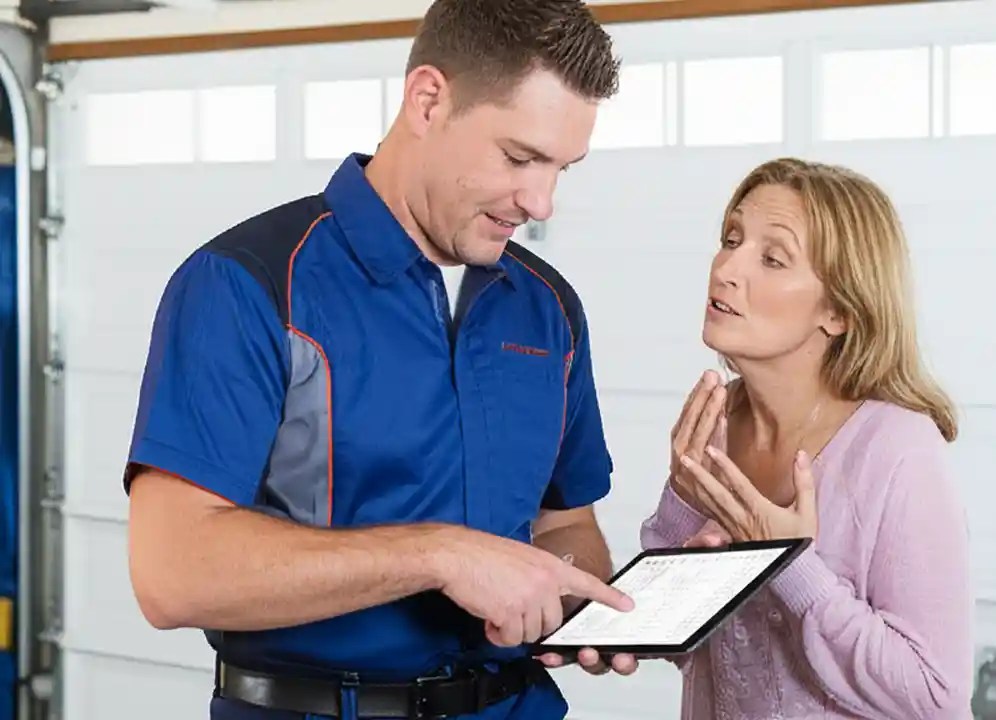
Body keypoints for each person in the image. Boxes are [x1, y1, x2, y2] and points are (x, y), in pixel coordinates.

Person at [122, 2, 640, 718]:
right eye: (520, 157)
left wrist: (570, 594)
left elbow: (564, 525)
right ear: (428, 99)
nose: (540, 200)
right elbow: (171, 574)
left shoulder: (549, 307)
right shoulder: (247, 284)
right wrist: (441, 554)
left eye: (561, 167)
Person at [639, 158, 975, 719]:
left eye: (772, 259)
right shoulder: (715, 424)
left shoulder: (899, 450)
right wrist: (683, 502)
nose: (726, 268)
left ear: (840, 309)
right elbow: (681, 643)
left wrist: (789, 564)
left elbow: (935, 698)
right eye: (731, 239)